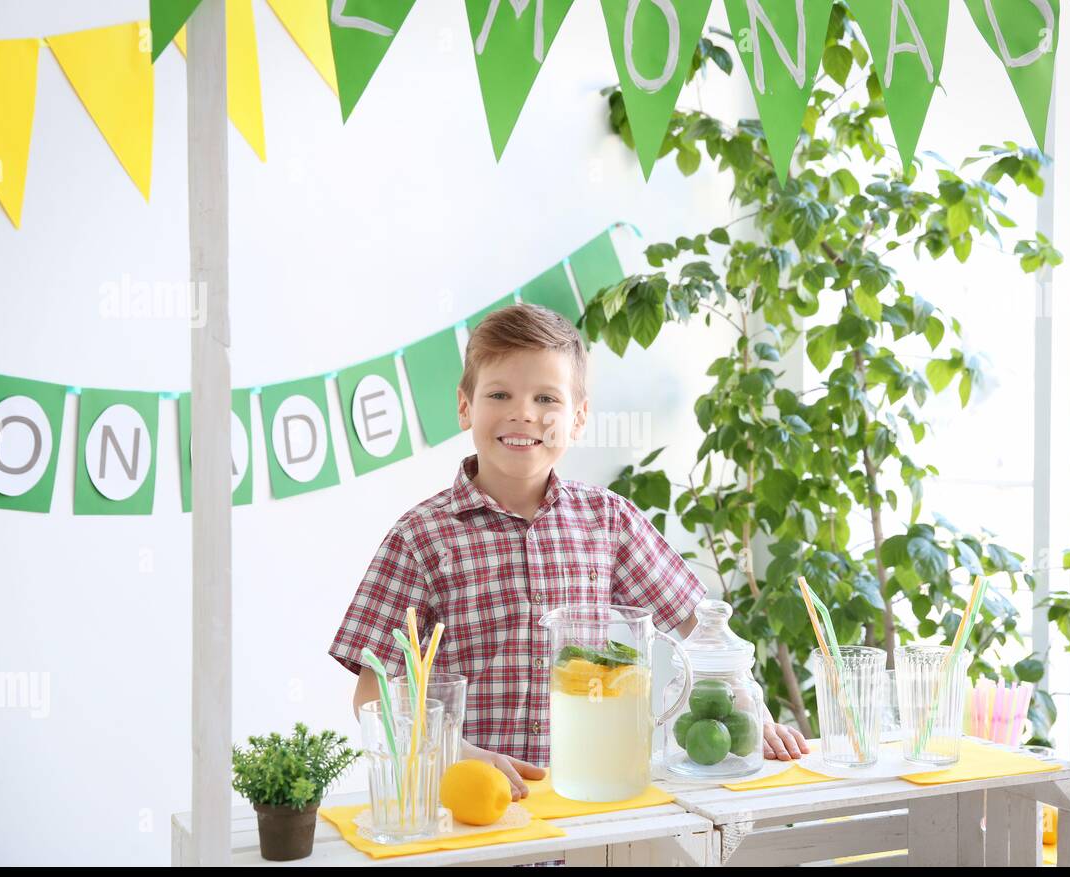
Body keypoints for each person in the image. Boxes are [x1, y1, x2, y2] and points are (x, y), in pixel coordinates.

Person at [329, 304, 809, 801]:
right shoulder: (419, 539)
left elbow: (699, 626)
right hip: (469, 807)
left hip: (587, 803)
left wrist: (755, 714)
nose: (523, 413)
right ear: (464, 406)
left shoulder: (610, 520)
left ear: (578, 418)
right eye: (499, 394)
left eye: (546, 398)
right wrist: (456, 751)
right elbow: (373, 693)